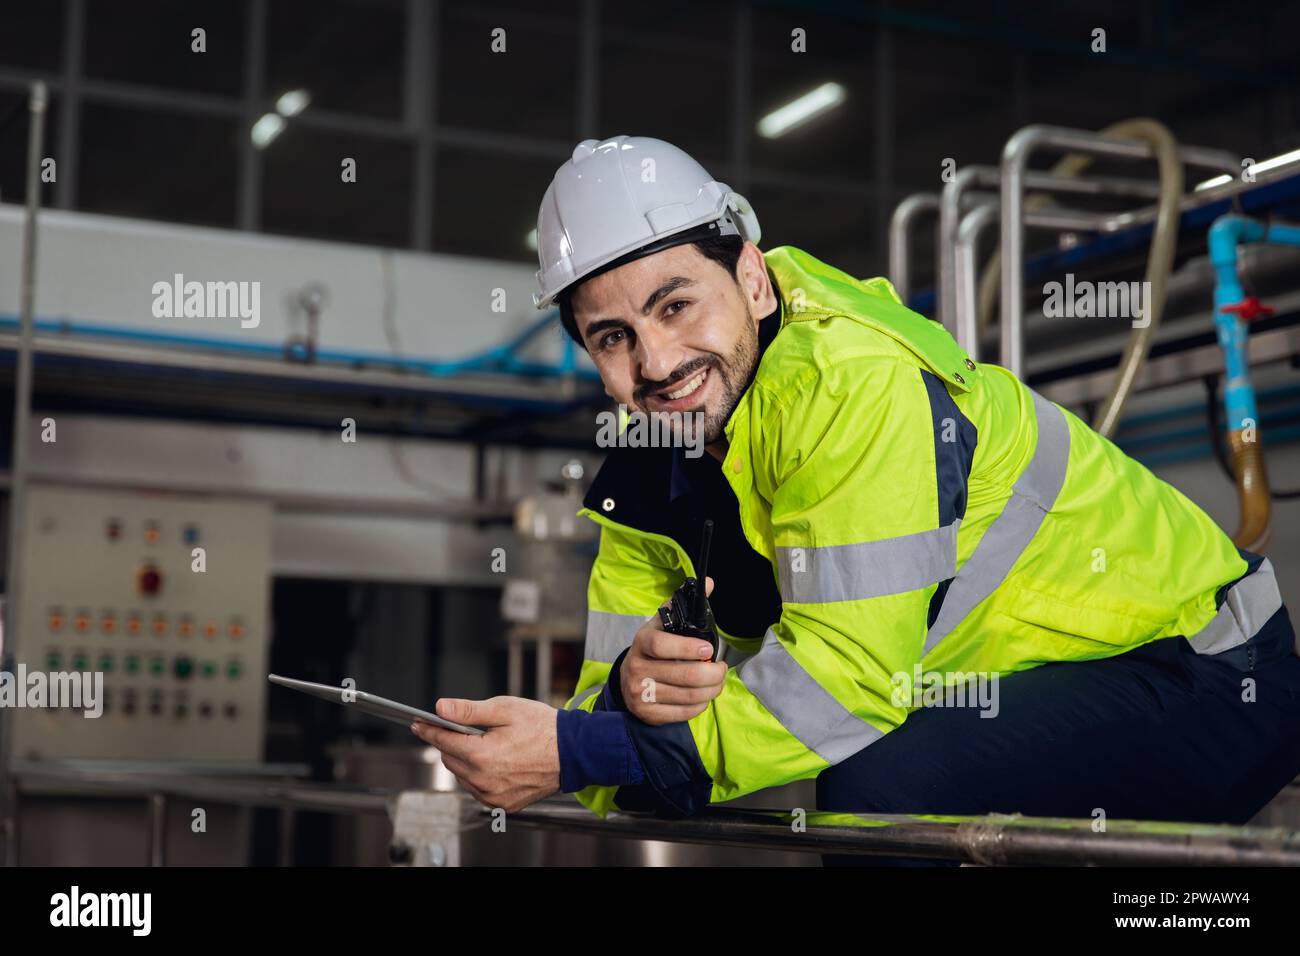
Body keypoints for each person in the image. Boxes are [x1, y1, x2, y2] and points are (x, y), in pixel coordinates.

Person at [411, 135, 1300, 864]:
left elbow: (844, 689)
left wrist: (576, 748)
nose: (654, 362)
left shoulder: (850, 389)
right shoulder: (651, 477)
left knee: (878, 794)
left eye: (676, 305)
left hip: (1209, 672)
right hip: (1033, 689)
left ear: (752, 282)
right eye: (613, 336)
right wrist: (627, 701)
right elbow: (619, 744)